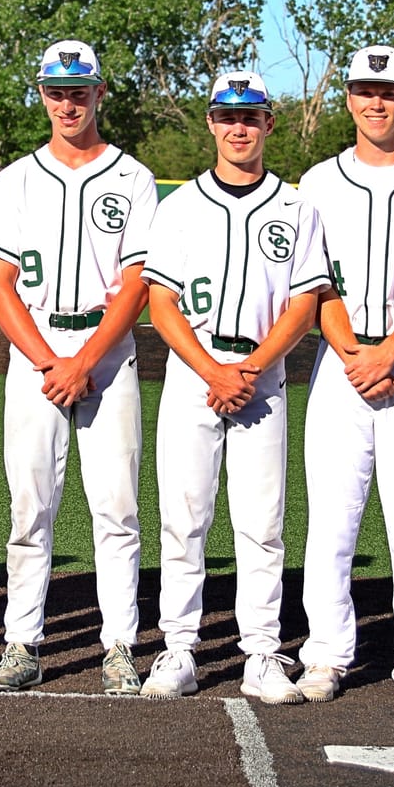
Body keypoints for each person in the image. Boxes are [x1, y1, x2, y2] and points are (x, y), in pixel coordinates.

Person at [139, 70, 333, 704]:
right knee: (184, 517)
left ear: (269, 123)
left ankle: (261, 652)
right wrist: (212, 370)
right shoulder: (180, 206)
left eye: (250, 117)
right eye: (228, 116)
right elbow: (161, 303)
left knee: (262, 523)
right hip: (193, 375)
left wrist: (247, 370)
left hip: (262, 377)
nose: (239, 127)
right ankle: (178, 647)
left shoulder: (295, 207)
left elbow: (304, 305)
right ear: (211, 123)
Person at [0, 42, 157, 694]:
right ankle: (21, 642)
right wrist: (50, 360)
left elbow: (136, 284)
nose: (68, 102)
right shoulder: (18, 178)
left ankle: (119, 645)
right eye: (56, 91)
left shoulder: (132, 176)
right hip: (39, 353)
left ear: (99, 93)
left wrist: (84, 360)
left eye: (79, 90)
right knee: (30, 506)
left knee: (117, 508)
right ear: (42, 94)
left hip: (106, 355)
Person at [293, 45, 394, 706]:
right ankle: (326, 653)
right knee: (332, 521)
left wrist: (388, 352)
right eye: (365, 90)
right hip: (341, 365)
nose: (376, 101)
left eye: (389, 91)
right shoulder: (318, 182)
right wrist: (357, 355)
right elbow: (314, 285)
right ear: (350, 99)